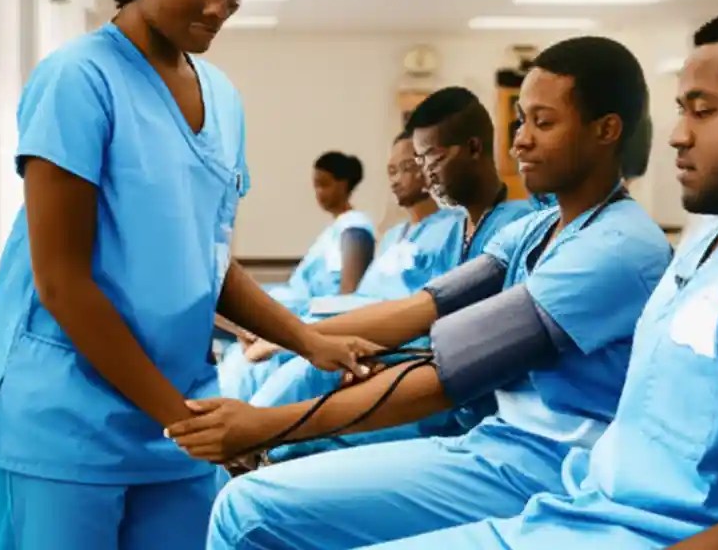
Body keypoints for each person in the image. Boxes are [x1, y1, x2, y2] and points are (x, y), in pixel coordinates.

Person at [349, 8, 718, 550]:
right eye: (680, 111)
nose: (677, 136)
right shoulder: (713, 240)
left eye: (703, 111)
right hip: (586, 508)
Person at [0, 0, 375, 550]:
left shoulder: (222, 99)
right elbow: (61, 281)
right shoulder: (79, 80)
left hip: (175, 420)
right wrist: (189, 423)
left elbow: (205, 261)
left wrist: (310, 339)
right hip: (64, 424)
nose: (219, 4)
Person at [174, 36, 673, 550]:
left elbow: (450, 372)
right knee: (254, 496)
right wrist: (297, 337)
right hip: (498, 441)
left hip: (553, 465)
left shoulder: (618, 246)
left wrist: (267, 426)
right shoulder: (537, 228)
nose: (520, 140)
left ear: (606, 130)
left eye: (542, 123)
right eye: (520, 120)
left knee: (249, 507)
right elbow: (421, 309)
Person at [245, 88, 538, 460]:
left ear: (474, 148)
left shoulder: (516, 227)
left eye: (433, 157)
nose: (427, 173)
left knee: (299, 438)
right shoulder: (455, 229)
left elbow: (462, 334)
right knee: (299, 409)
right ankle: (250, 445)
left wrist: (307, 338)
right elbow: (425, 312)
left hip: (462, 402)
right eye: (419, 160)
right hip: (425, 371)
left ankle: (252, 446)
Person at [218, 131, 464, 403]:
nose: (395, 178)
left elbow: (395, 303)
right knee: (241, 357)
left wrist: (294, 336)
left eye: (406, 168)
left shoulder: (449, 228)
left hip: (374, 327)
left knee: (277, 368)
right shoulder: (394, 236)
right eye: (391, 170)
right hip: (329, 315)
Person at [264, 151, 376, 309]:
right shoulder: (333, 230)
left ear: (343, 184)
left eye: (324, 184)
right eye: (316, 186)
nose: (318, 192)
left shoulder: (354, 226)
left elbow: (348, 296)